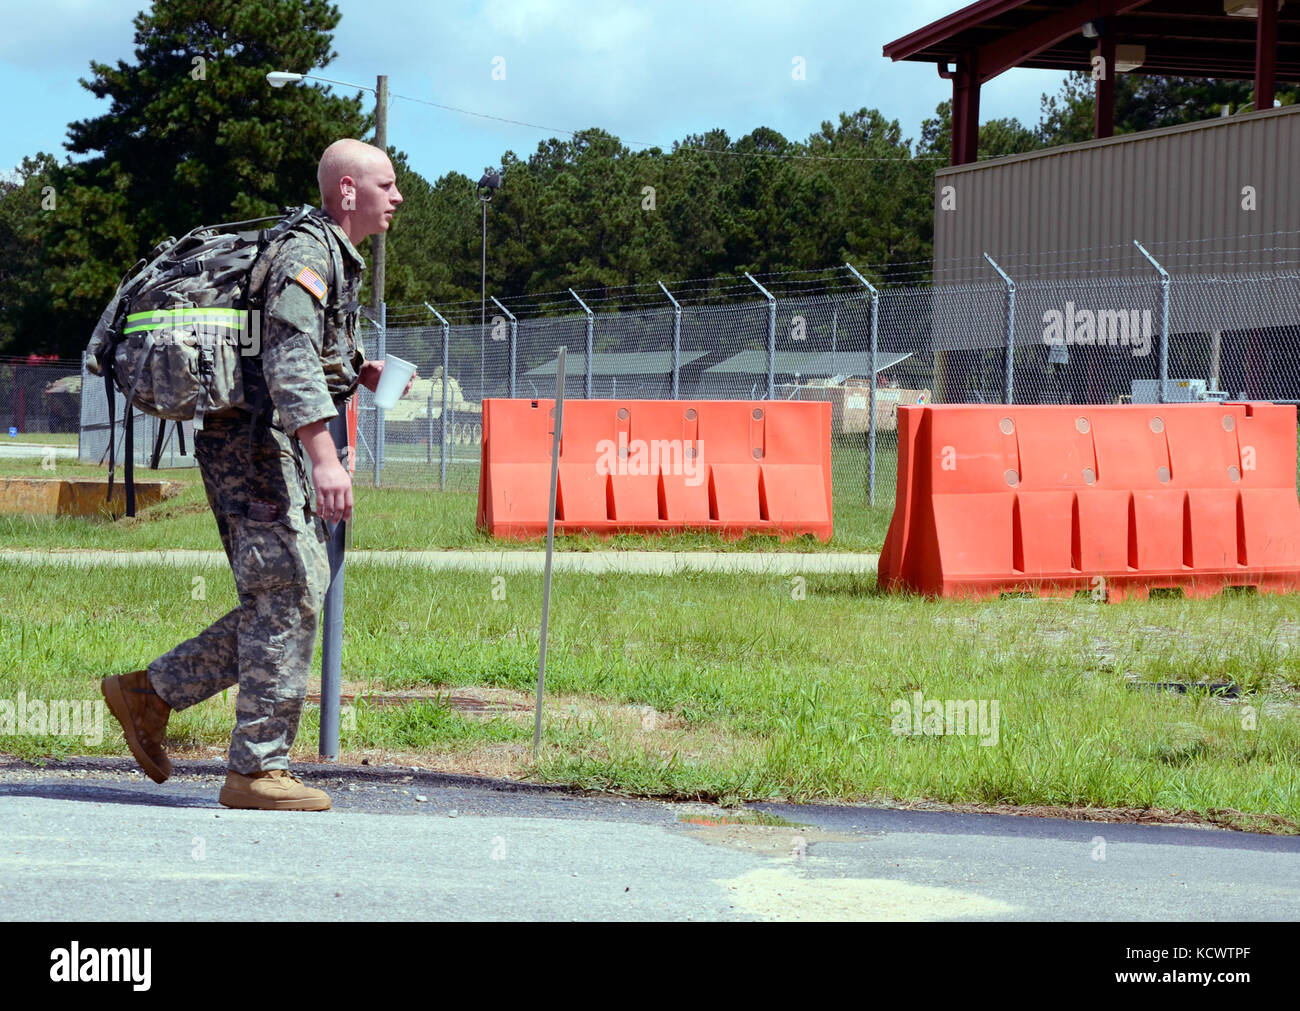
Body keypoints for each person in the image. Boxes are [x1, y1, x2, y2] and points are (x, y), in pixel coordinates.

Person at [100, 139, 408, 811]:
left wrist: (362, 371)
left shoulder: (330, 255)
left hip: (263, 441)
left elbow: (304, 346)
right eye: (387, 184)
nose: (398, 196)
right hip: (252, 445)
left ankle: (150, 693)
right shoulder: (308, 251)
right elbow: (289, 354)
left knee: (286, 594)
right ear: (348, 190)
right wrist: (326, 458)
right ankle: (255, 770)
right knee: (291, 590)